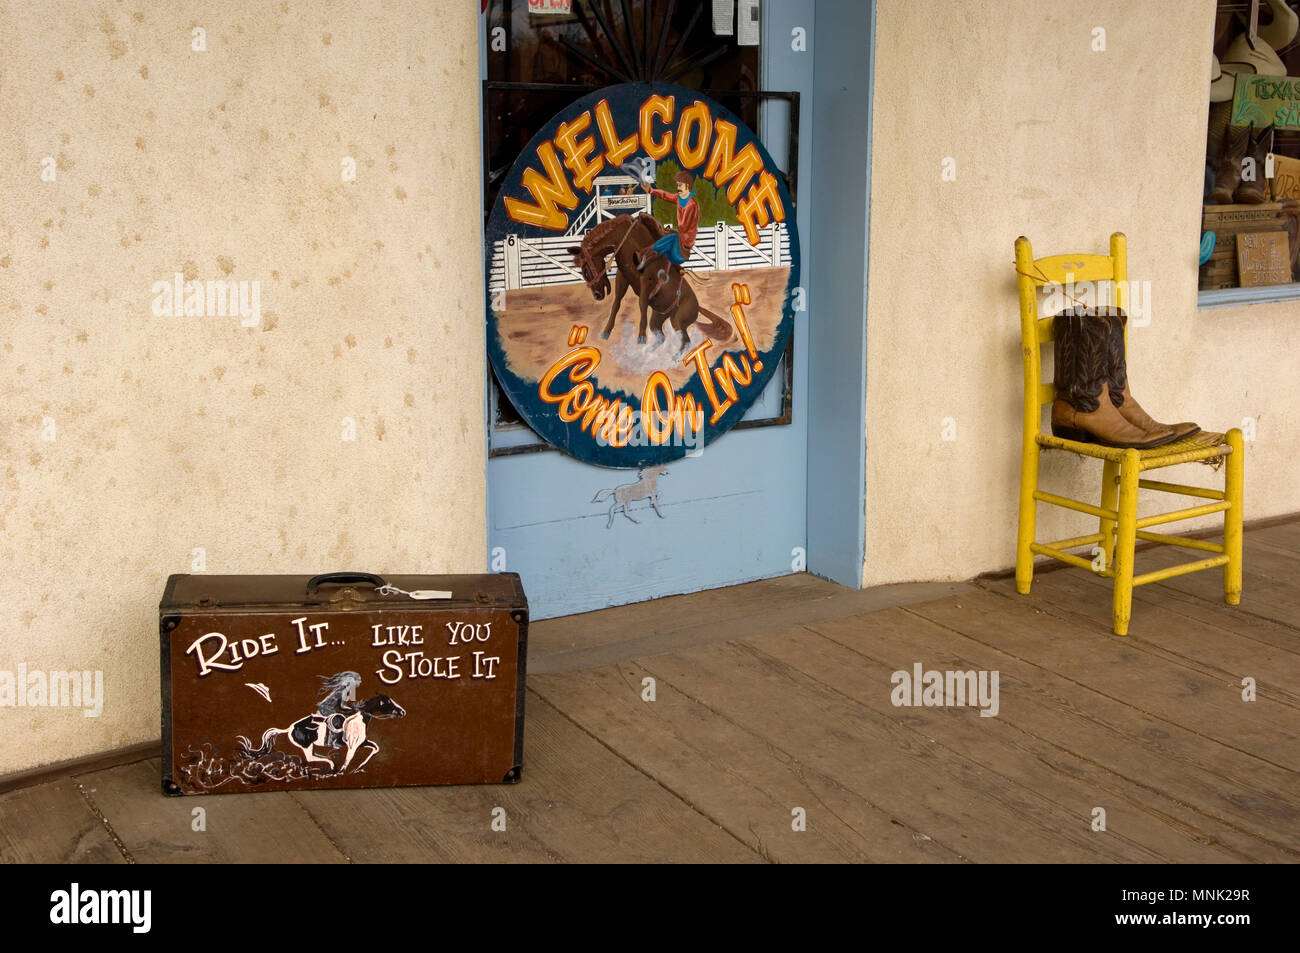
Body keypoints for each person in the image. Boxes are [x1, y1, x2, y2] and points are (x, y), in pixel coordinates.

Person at [635, 170, 699, 302]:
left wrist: (668, 231)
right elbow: (665, 195)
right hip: (678, 243)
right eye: (677, 185)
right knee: (667, 236)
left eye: (680, 185)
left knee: (672, 237)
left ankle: (644, 255)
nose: (678, 188)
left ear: (687, 186)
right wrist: (651, 190)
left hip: (683, 248)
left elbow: (683, 226)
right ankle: (648, 262)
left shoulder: (691, 205)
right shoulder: (680, 198)